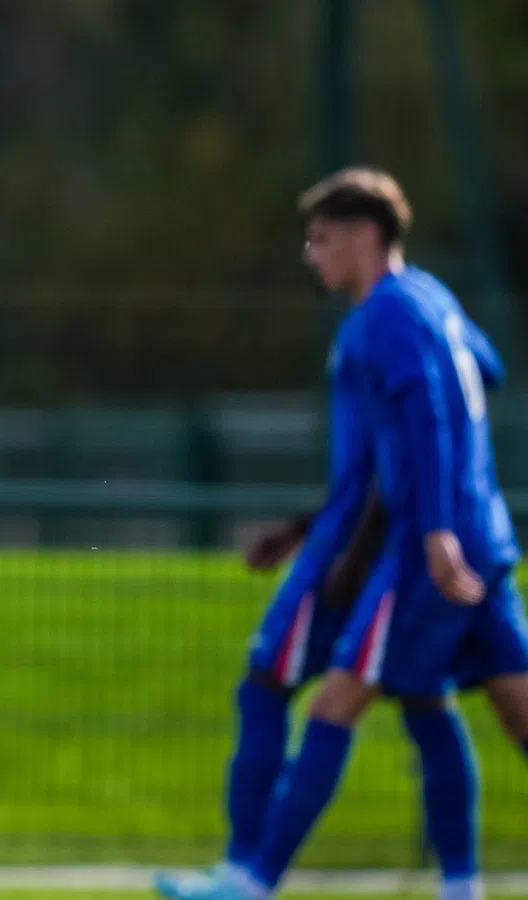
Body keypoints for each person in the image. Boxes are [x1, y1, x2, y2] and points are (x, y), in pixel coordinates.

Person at [158, 168, 528, 900]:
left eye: (322, 238)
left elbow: (424, 408)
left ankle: (250, 878)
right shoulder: (435, 299)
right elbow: (485, 371)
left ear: (366, 236)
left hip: (427, 548)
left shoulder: (384, 315)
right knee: (478, 705)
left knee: (321, 698)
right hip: (481, 534)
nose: (311, 254)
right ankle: (460, 888)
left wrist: (430, 525)